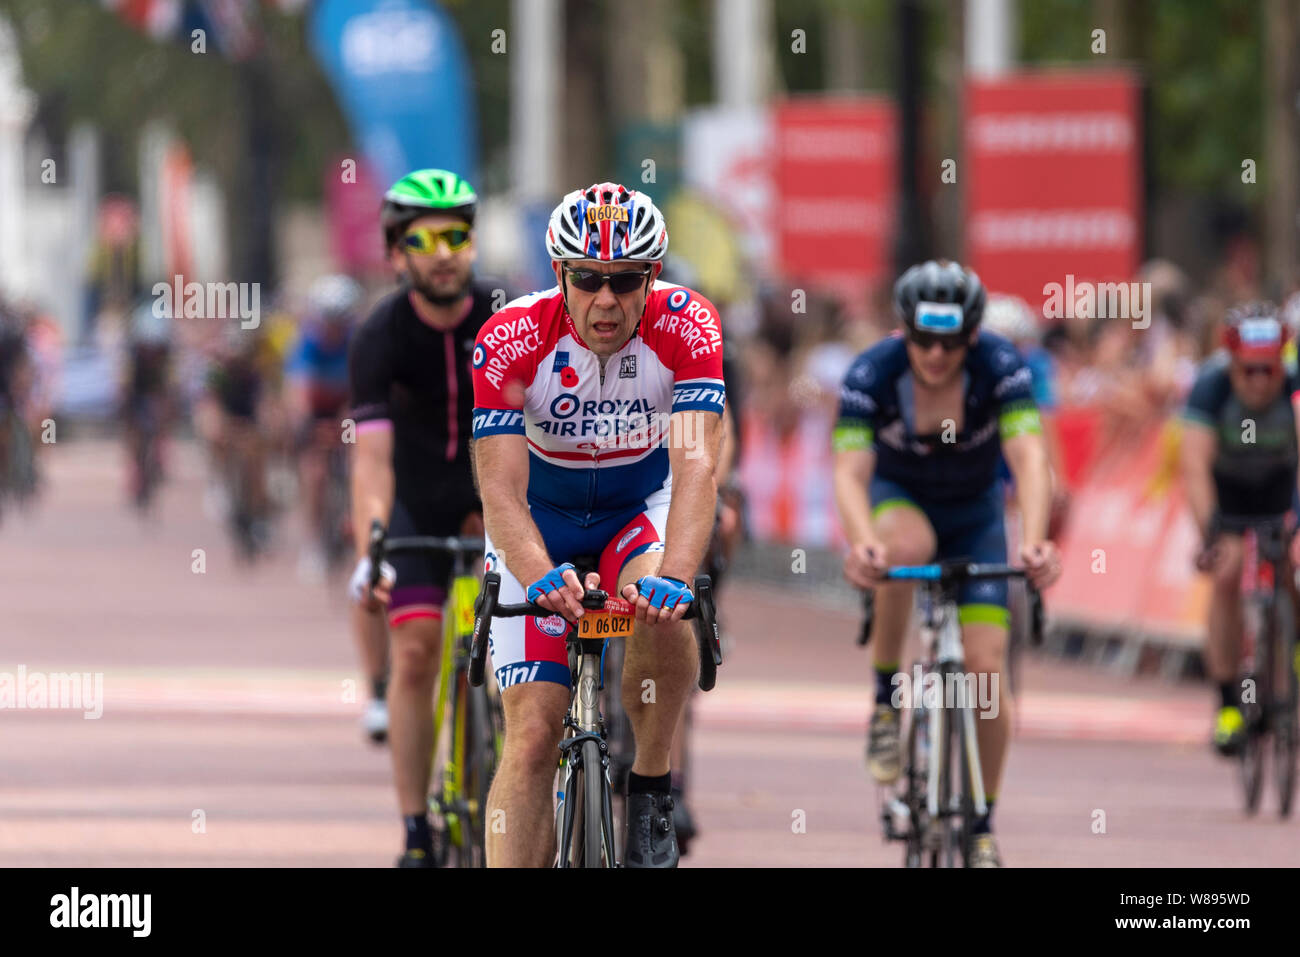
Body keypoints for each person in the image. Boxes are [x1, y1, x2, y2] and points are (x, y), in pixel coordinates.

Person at [470, 182, 724, 867]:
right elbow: (499, 491)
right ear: (559, 274)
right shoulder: (511, 337)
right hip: (537, 525)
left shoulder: (689, 326)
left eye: (624, 280)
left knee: (664, 606)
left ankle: (650, 786)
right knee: (529, 737)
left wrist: (675, 577)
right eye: (587, 279)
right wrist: (538, 574)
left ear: (653, 274)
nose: (606, 299)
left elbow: (697, 469)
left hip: (634, 514)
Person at [831, 260, 1061, 868]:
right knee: (901, 550)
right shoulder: (871, 373)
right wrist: (862, 543)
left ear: (973, 336)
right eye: (924, 340)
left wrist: (1035, 540)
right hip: (900, 502)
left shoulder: (1001, 366)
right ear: (903, 331)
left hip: (975, 516)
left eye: (951, 341)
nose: (936, 354)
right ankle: (885, 700)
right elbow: (849, 473)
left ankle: (982, 821)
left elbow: (1031, 457)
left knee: (987, 674)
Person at [345, 169, 494, 867]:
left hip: (498, 500)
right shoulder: (380, 334)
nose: (444, 252)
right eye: (426, 238)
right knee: (415, 650)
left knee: (517, 662)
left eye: (458, 234)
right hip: (413, 503)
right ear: (397, 250)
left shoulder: (506, 313)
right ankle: (413, 828)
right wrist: (373, 536)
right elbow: (371, 460)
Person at [1180, 302, 1300, 756]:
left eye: (1268, 370)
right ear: (1231, 362)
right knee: (1227, 574)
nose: (1258, 381)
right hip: (1228, 494)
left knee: (1290, 573)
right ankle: (1229, 704)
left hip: (1278, 489)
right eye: (1248, 371)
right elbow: (1194, 467)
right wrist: (1209, 532)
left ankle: (1293, 657)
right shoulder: (1209, 386)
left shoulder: (1294, 383)